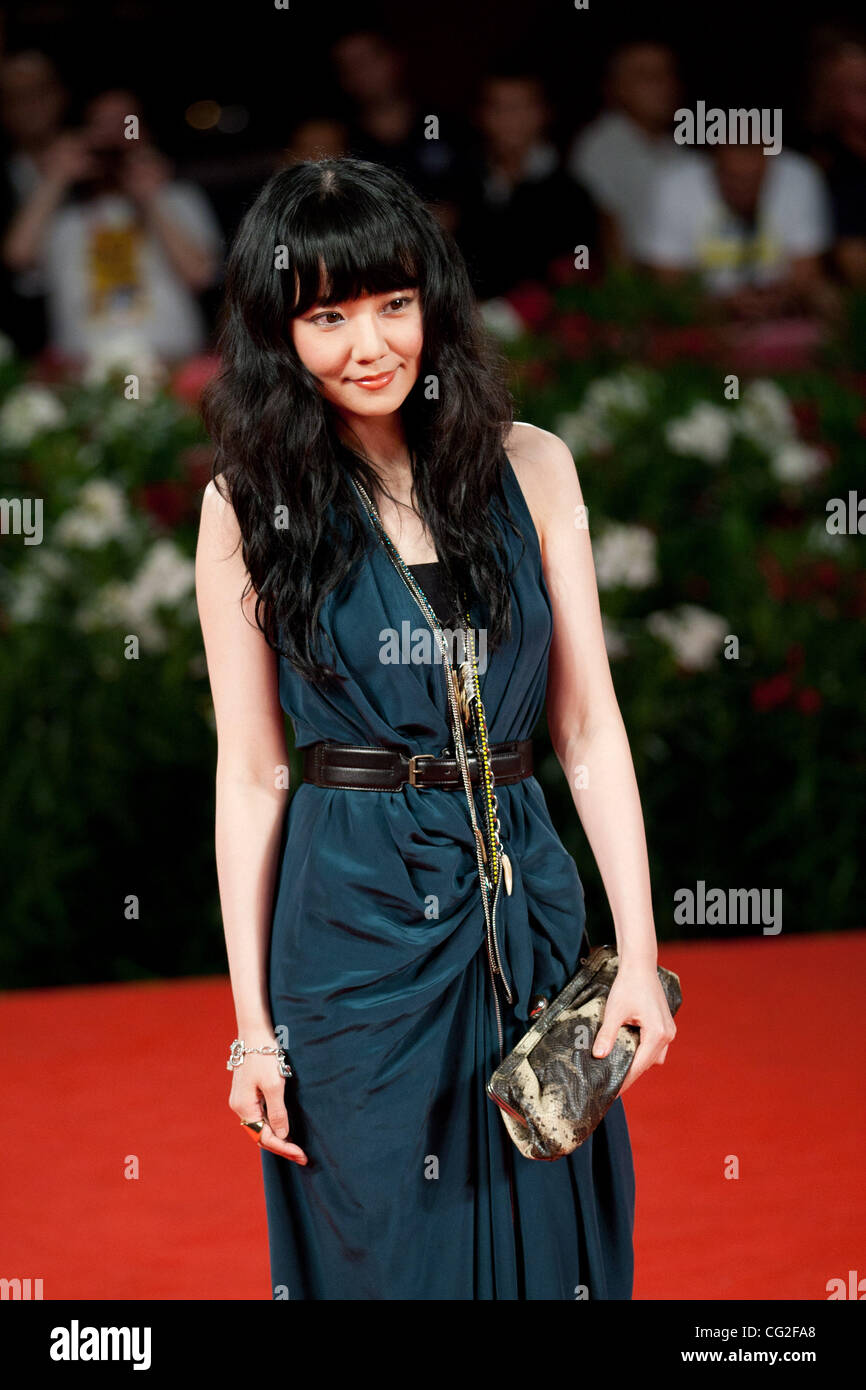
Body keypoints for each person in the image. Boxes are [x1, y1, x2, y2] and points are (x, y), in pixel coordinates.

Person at [195, 157, 675, 1301]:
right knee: (383, 1250)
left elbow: (589, 732)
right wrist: (252, 1032)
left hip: (526, 911)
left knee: (555, 1229)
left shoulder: (531, 465)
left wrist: (642, 955)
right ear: (279, 331)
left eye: (393, 303)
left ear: (434, 303)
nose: (370, 344)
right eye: (327, 315)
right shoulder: (244, 502)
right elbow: (253, 773)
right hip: (350, 922)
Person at [3, 87, 222, 364]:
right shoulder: (61, 213)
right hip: (81, 372)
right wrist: (54, 178)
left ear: (145, 132)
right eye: (101, 125)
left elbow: (199, 274)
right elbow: (18, 257)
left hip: (171, 363)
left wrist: (151, 198)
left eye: (126, 123)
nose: (114, 135)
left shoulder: (177, 198)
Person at [635, 137, 835, 320]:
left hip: (780, 311)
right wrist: (722, 305)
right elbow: (667, 286)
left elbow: (806, 276)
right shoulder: (673, 185)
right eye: (733, 178)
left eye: (754, 179)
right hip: (701, 315)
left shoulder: (798, 177)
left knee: (828, 298)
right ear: (713, 163)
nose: (743, 188)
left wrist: (776, 299)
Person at [455, 65, 604, 301]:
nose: (511, 119)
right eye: (499, 108)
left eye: (522, 107)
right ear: (480, 115)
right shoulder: (460, 184)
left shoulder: (571, 195)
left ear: (544, 113)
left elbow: (582, 274)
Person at [567, 39, 686, 264]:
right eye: (648, 77)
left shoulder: (678, 151)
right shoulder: (598, 148)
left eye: (667, 74)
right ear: (618, 87)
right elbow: (603, 236)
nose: (664, 85)